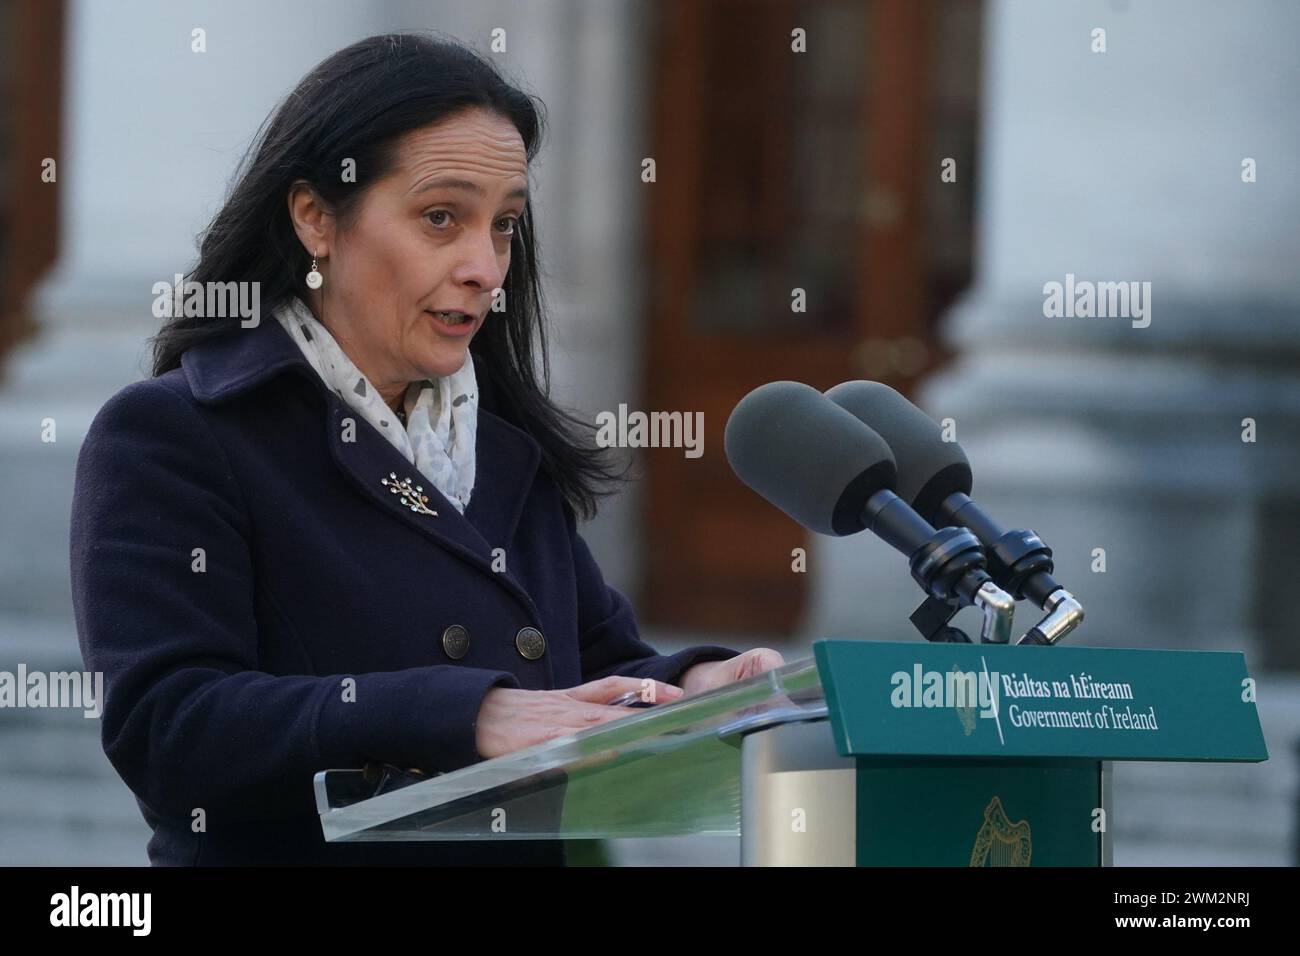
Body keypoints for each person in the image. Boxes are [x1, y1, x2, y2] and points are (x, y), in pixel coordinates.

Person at [69, 32, 784, 867]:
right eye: (441, 217)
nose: (486, 266)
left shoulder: (505, 453)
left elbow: (597, 663)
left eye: (505, 225)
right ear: (315, 217)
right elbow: (170, 728)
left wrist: (695, 689)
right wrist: (465, 712)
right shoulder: (179, 434)